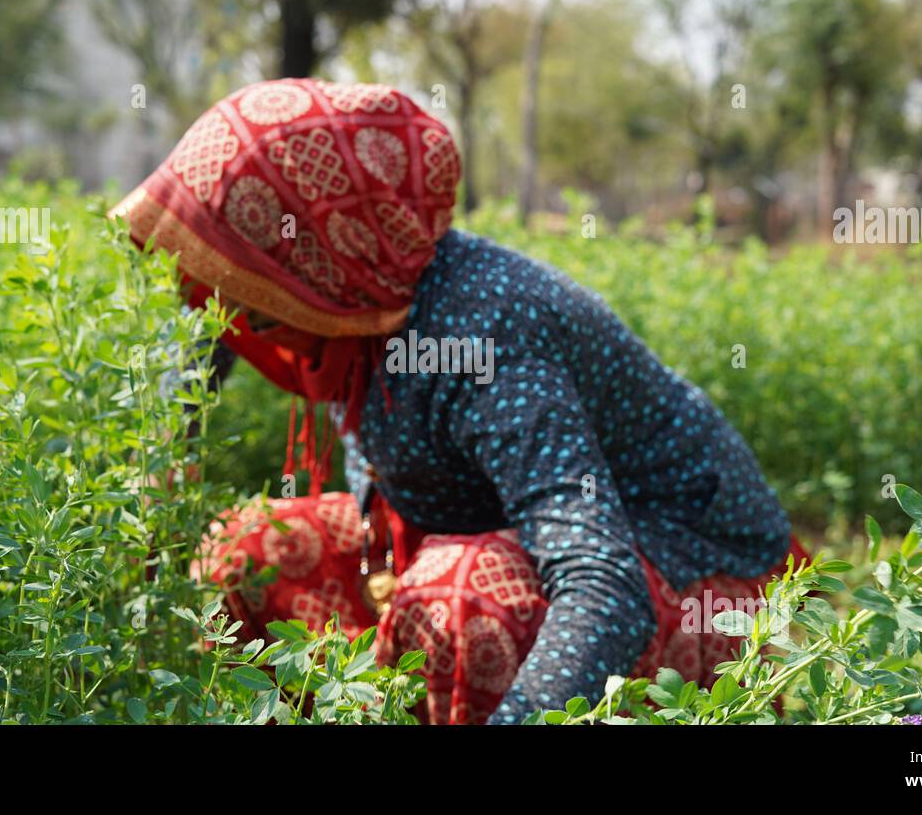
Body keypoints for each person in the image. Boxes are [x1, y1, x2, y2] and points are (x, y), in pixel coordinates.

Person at [111, 78, 805, 724]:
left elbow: (603, 585)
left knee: (460, 598)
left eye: (254, 292)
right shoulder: (352, 292)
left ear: (325, 266)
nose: (233, 311)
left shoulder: (486, 332)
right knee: (242, 552)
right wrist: (144, 516)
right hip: (441, 537)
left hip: (695, 582)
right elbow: (202, 336)